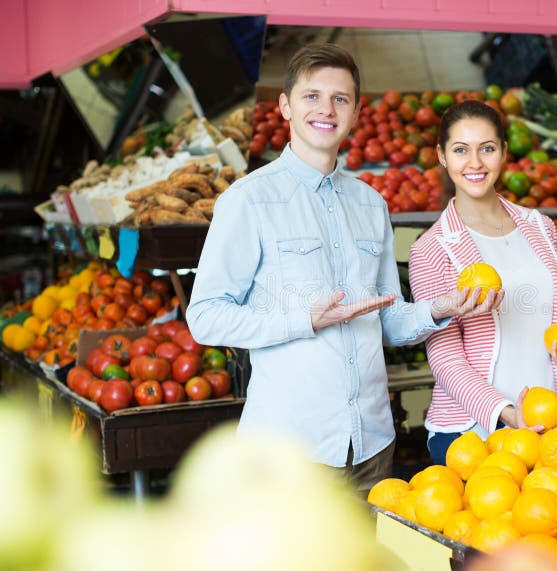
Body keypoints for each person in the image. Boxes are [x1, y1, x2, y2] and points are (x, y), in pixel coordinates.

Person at [185, 44, 502, 491]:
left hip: (371, 445)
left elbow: (386, 319)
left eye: (340, 99)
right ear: (285, 106)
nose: (326, 109)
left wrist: (439, 308)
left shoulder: (371, 204)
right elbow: (205, 316)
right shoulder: (249, 201)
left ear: (354, 112)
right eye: (312, 96)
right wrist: (304, 320)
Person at [408, 100, 557, 465]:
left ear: (504, 153)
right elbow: (445, 360)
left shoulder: (540, 227)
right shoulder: (431, 249)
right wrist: (507, 414)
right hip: (469, 438)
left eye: (487, 149)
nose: (475, 163)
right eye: (461, 150)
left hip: (544, 427)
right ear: (442, 156)